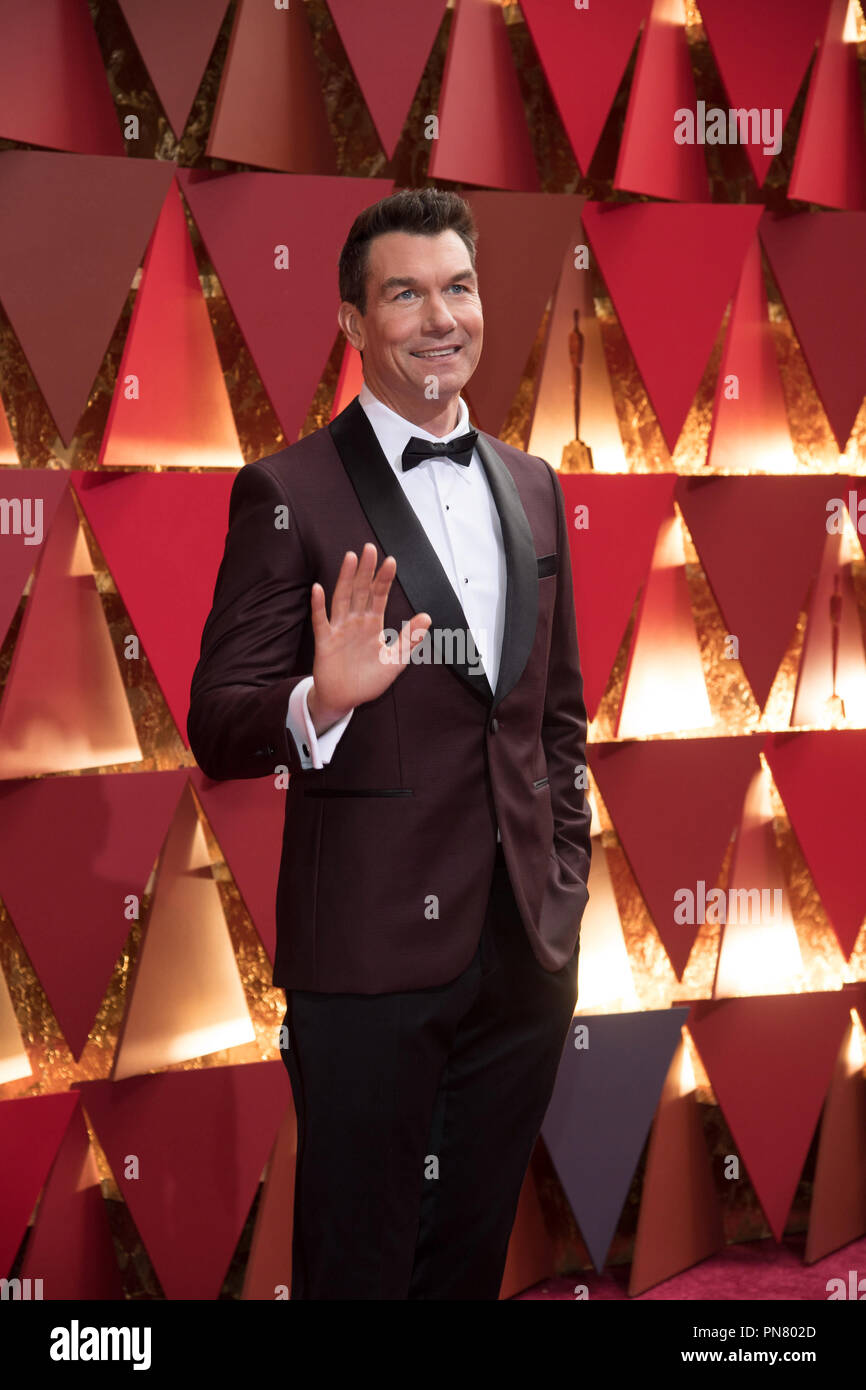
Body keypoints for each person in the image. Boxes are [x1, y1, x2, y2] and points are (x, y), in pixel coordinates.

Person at [187, 188, 592, 1300]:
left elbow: (554, 712)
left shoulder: (532, 485)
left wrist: (565, 875)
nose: (438, 317)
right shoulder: (286, 492)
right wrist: (320, 698)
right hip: (367, 961)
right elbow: (217, 720)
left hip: (522, 948)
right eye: (403, 294)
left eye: (455, 288)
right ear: (353, 324)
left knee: (465, 1257)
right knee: (357, 1265)